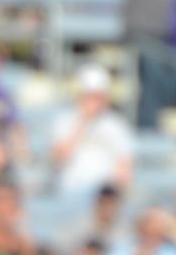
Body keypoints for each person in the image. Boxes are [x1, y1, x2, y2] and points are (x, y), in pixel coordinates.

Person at [50, 63, 134, 197]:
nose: (95, 101)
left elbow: (125, 167)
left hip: (104, 197)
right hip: (71, 191)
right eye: (90, 96)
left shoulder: (117, 125)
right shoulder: (65, 121)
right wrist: (83, 121)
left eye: (98, 96)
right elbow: (59, 158)